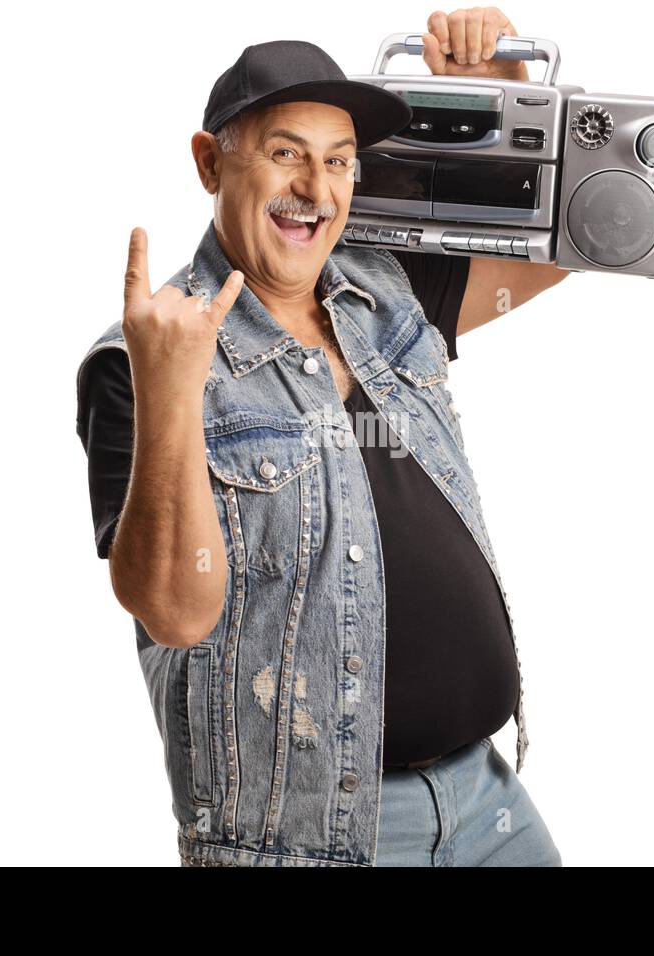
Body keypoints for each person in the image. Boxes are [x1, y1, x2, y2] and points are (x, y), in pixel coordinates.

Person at [75, 8, 568, 866]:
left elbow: (562, 248)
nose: (317, 188)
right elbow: (173, 612)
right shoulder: (137, 360)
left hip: (487, 803)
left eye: (339, 161)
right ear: (208, 160)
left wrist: (504, 100)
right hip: (310, 839)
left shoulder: (388, 288)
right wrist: (171, 392)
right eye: (285, 153)